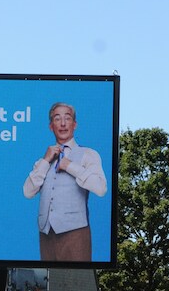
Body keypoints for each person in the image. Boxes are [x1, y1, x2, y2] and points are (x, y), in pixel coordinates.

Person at [23, 102, 107, 262]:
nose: (62, 124)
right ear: (51, 126)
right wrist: (46, 160)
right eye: (57, 119)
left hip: (75, 233)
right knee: (46, 282)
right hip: (46, 234)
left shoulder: (88, 154)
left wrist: (70, 166)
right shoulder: (43, 161)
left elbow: (101, 188)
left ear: (74, 124)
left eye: (67, 119)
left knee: (76, 283)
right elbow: (27, 192)